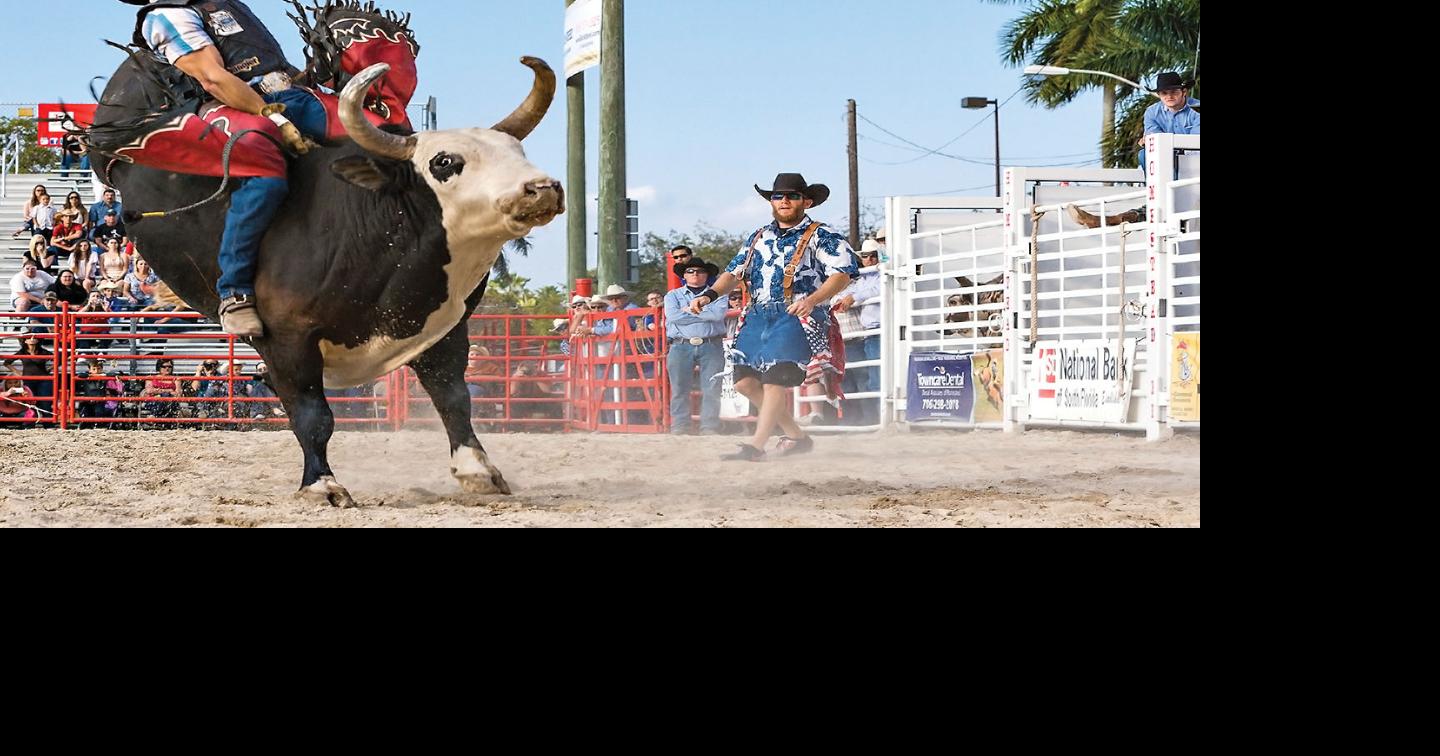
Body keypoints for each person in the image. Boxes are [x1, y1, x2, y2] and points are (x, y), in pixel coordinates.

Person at [120, 0, 327, 337]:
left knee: (374, 130)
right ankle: (234, 292)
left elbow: (268, 63)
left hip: (287, 92)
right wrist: (270, 115)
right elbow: (213, 78)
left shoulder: (221, 3)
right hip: (227, 105)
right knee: (265, 170)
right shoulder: (166, 16)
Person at [689, 173, 858, 461]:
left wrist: (813, 300)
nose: (784, 201)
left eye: (792, 196)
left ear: (806, 201)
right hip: (757, 313)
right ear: (772, 201)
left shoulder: (822, 235)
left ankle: (756, 446)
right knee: (744, 382)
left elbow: (843, 273)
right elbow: (733, 273)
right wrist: (708, 295)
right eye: (778, 196)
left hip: (796, 314)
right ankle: (797, 437)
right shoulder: (758, 236)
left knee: (774, 378)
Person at [664, 257, 728, 435]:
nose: (695, 274)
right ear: (684, 275)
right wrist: (704, 312)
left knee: (712, 388)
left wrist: (688, 311)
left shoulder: (719, 294)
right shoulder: (672, 295)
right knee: (679, 388)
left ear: (707, 275)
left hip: (711, 344)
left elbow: (718, 316)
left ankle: (709, 426)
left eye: (700, 271)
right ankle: (680, 426)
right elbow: (673, 317)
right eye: (690, 271)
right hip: (680, 345)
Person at [835, 239, 883, 426]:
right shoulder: (862, 279)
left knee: (871, 379)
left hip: (872, 332)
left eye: (873, 256)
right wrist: (848, 298)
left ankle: (874, 419)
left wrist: (851, 298)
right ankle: (866, 419)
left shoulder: (879, 274)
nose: (869, 259)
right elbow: (846, 295)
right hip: (867, 334)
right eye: (865, 256)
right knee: (862, 379)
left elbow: (877, 289)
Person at [1139, 71, 1200, 174]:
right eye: (1164, 93)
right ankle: (1155, 187)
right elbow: (1155, 137)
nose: (1169, 96)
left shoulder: (1197, 109)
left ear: (1184, 92)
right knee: (1144, 154)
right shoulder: (1151, 112)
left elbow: (1196, 142)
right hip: (1166, 155)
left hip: (1194, 159)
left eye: (1174, 92)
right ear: (1158, 95)